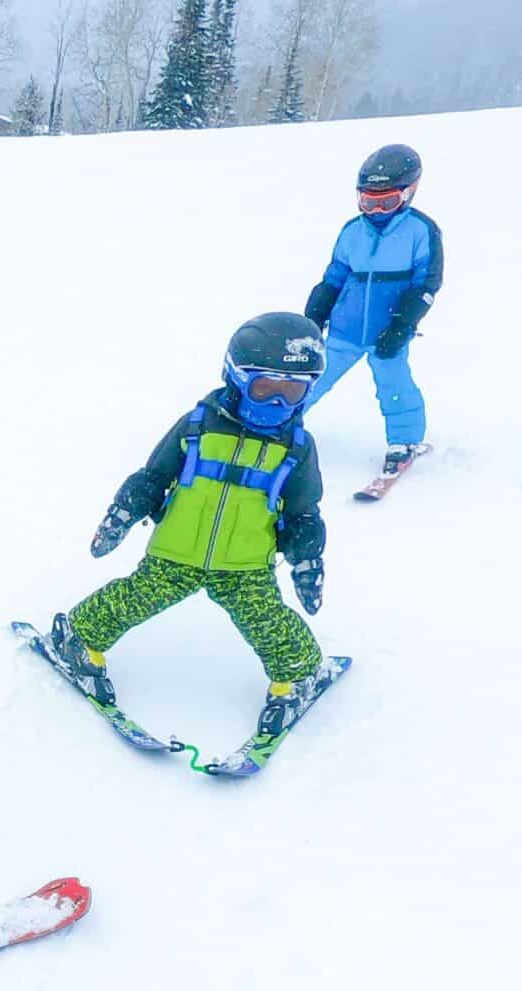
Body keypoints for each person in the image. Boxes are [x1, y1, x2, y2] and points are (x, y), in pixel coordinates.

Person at [46, 314, 333, 745]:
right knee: (133, 598)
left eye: (292, 391)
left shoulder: (296, 448)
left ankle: (300, 673)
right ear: (236, 378)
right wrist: (122, 515)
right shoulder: (199, 425)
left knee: (268, 621)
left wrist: (307, 560)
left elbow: (304, 512)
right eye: (265, 388)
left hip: (246, 564)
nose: (278, 403)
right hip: (175, 551)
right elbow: (153, 475)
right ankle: (78, 638)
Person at [300, 144, 444, 480]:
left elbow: (426, 284)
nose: (377, 211)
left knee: (393, 385)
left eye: (387, 202)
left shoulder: (420, 231)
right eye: (368, 202)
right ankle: (279, 423)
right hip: (344, 329)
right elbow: (334, 277)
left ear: (409, 193)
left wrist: (401, 325)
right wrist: (313, 317)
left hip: (387, 332)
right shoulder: (352, 231)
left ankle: (404, 442)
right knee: (311, 379)